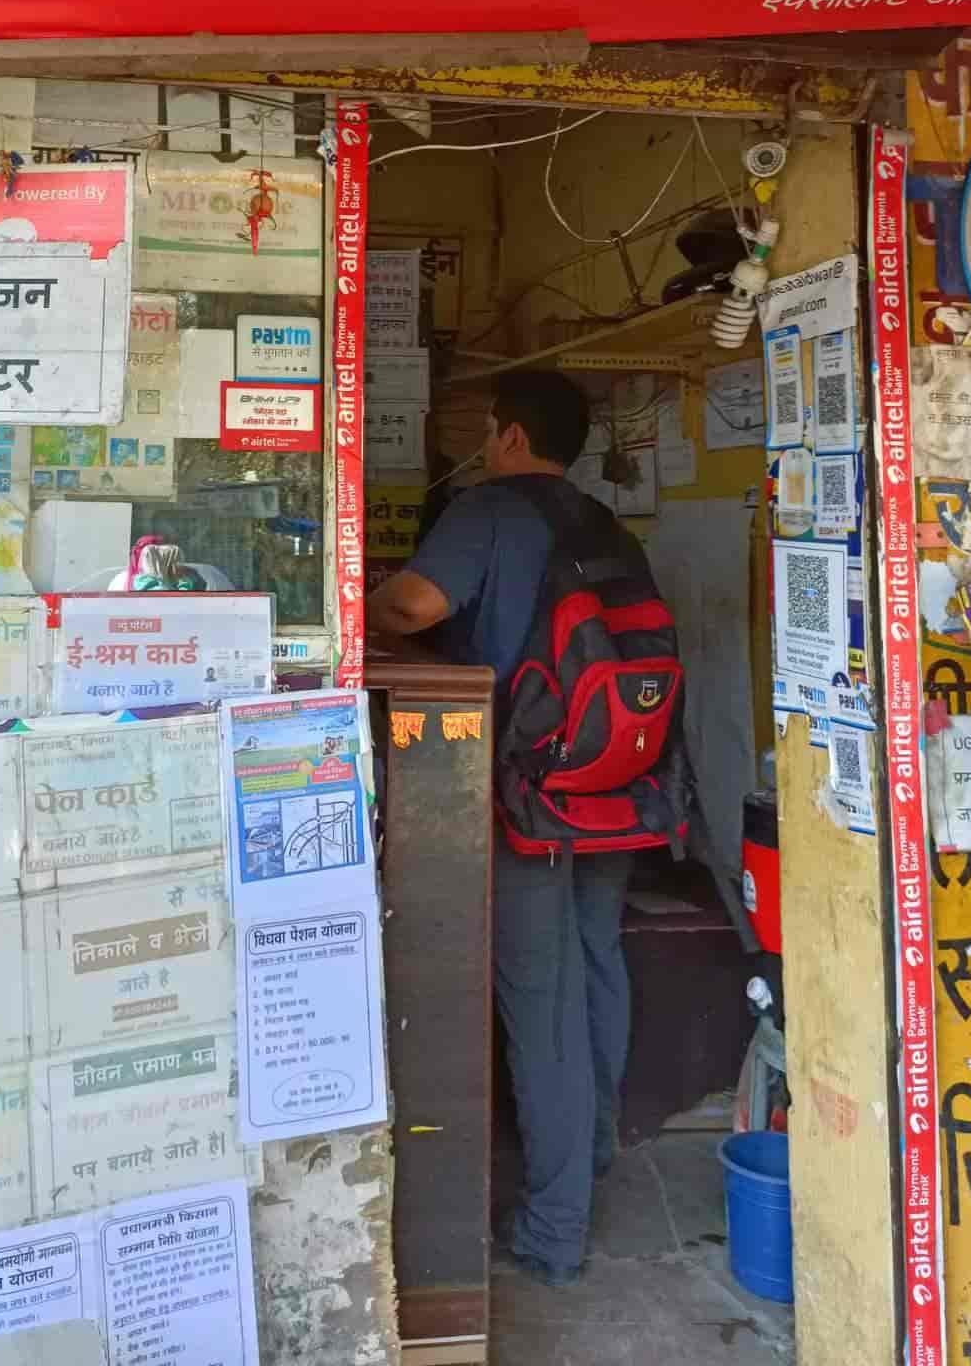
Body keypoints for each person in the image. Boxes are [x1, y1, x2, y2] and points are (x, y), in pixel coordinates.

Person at [367, 370, 667, 1287]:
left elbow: (414, 606)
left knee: (543, 1002)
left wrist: (360, 598)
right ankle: (595, 1152)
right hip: (618, 784)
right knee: (596, 963)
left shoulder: (489, 510)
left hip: (532, 795)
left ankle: (555, 1226)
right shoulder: (604, 521)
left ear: (508, 436)